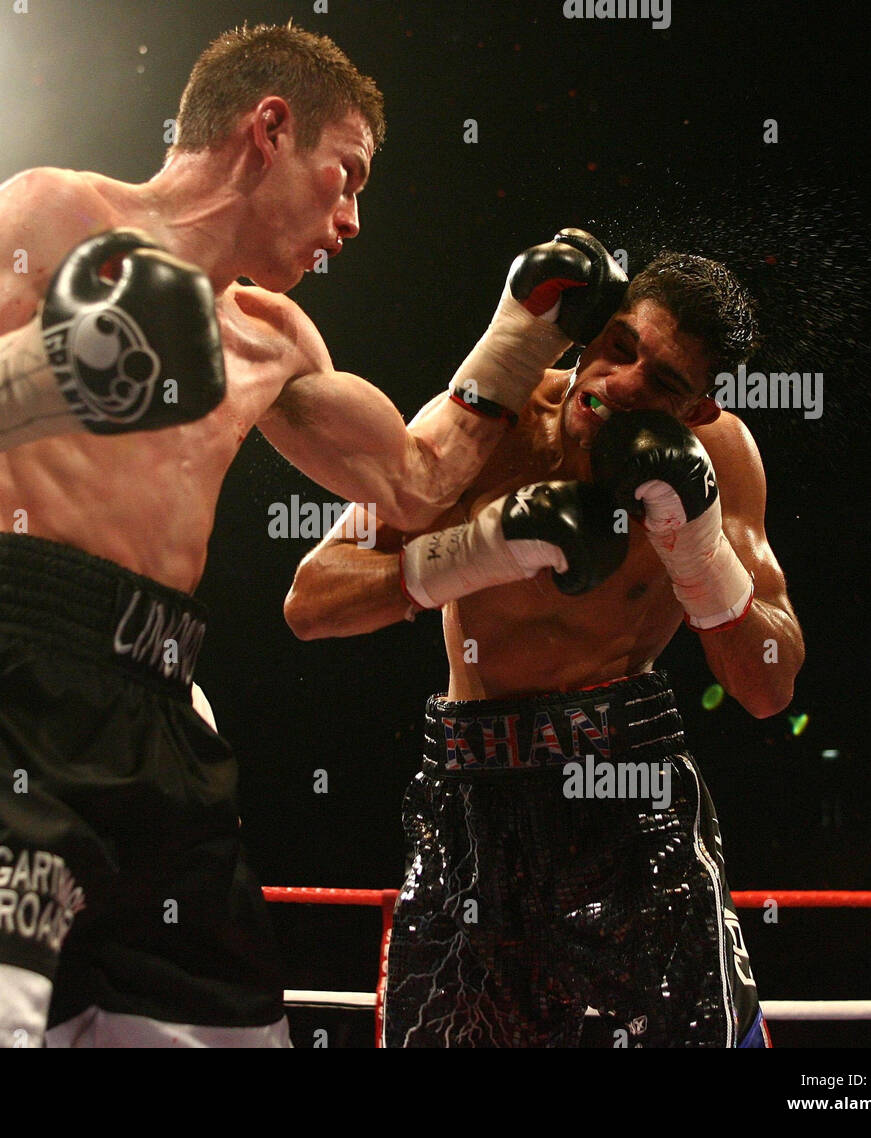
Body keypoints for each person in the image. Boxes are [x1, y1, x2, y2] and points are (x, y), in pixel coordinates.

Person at [0, 23, 623, 1048]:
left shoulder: (275, 334)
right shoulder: (58, 213)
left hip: (166, 714)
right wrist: (59, 366)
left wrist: (518, 337)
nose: (349, 221)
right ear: (269, 128)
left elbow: (413, 483)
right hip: (9, 679)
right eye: (344, 178)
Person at [285, 252, 805, 1047]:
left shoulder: (721, 460)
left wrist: (699, 554)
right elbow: (312, 601)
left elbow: (769, 689)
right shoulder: (482, 429)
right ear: (589, 334)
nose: (624, 383)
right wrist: (476, 550)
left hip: (631, 796)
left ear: (699, 411)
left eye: (663, 384)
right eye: (620, 346)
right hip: (470, 793)